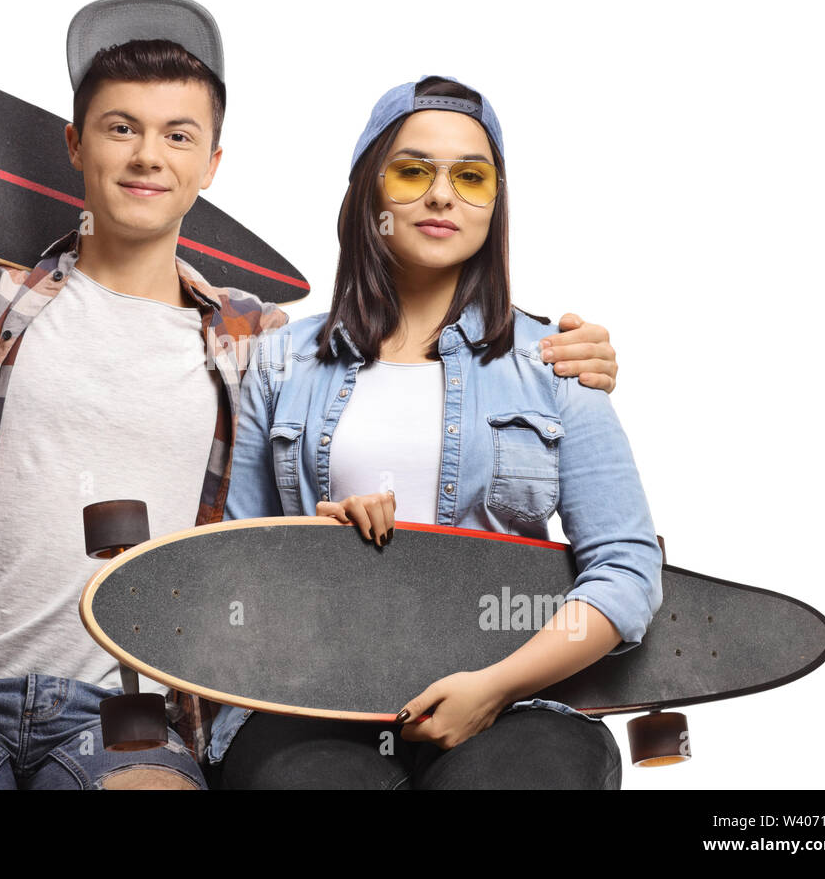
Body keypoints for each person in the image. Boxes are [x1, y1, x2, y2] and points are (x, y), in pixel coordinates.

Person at [0, 0, 620, 789]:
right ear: (76, 143)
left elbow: (409, 344)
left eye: (177, 135)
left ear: (212, 164)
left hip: (138, 715)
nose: (148, 157)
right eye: (121, 128)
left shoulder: (258, 341)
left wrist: (553, 351)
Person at [209, 75, 662, 790]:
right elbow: (235, 567)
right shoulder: (280, 362)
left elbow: (626, 568)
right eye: (414, 171)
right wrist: (316, 546)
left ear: (494, 204)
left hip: (519, 702)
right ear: (370, 194)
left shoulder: (555, 364)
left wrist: (495, 687)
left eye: (472, 177)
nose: (442, 195)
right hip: (312, 698)